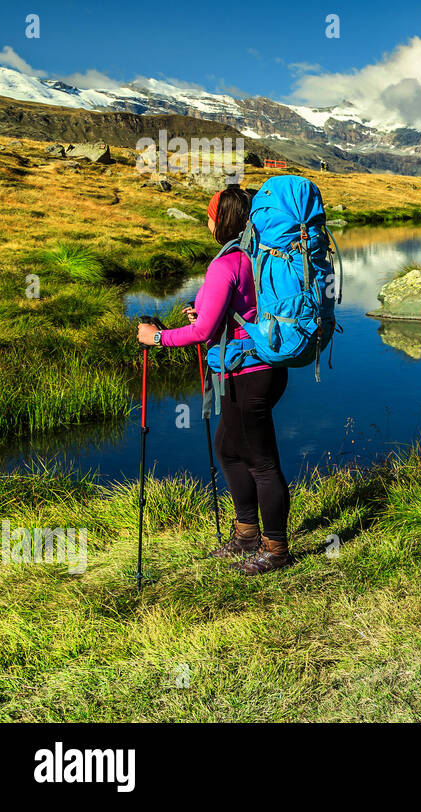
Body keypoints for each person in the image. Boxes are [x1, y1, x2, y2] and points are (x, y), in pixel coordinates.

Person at [135, 186, 293, 575]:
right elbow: (239, 312)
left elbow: (204, 333)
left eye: (209, 214)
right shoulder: (257, 257)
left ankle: (275, 551)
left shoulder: (225, 264)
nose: (207, 221)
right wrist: (203, 311)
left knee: (261, 462)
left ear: (220, 220)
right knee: (229, 448)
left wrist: (157, 338)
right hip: (266, 370)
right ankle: (246, 536)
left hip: (248, 375)